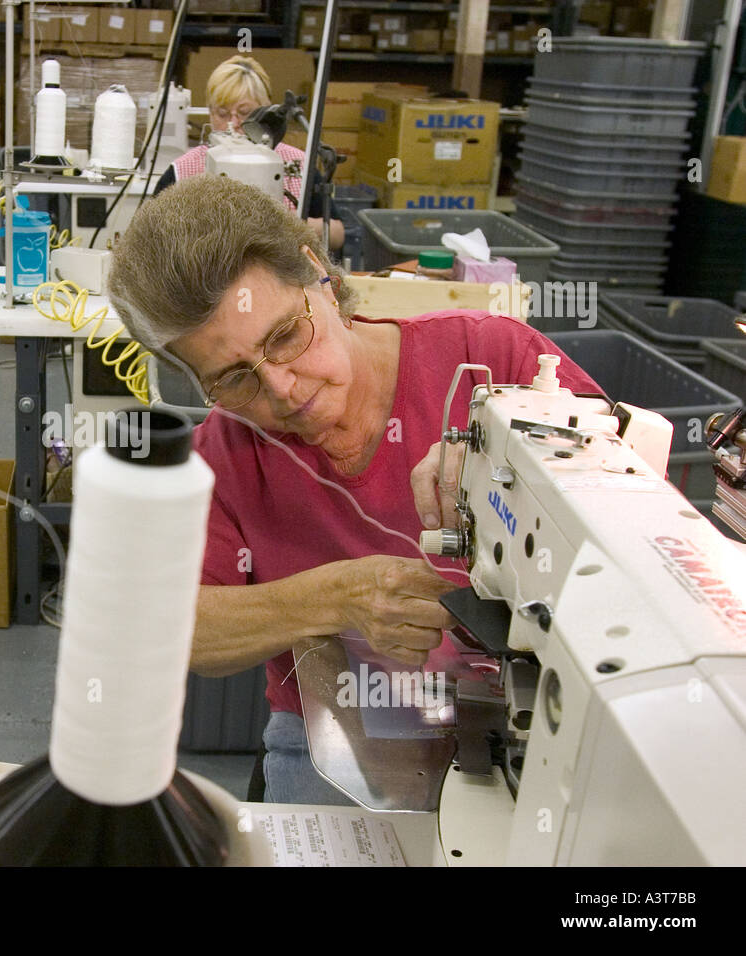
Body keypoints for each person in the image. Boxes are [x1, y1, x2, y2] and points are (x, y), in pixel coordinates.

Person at [107, 176, 603, 805]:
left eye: (284, 336)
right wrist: (338, 597)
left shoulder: (488, 359)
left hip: (525, 711)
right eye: (234, 378)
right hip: (334, 730)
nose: (282, 390)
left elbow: (625, 501)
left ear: (318, 274)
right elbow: (173, 627)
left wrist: (508, 464)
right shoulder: (226, 456)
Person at [153, 54, 345, 252]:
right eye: (222, 113)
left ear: (268, 110)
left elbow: (337, 235)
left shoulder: (298, 165)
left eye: (245, 113)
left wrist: (293, 224)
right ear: (210, 112)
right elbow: (151, 238)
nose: (234, 124)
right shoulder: (183, 172)